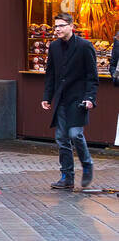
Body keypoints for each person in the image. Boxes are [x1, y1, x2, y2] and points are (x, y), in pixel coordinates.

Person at [42, 12, 98, 191]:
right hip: (61, 99)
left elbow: (92, 76)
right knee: (61, 138)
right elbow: (50, 74)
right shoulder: (54, 47)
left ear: (71, 26)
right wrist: (47, 97)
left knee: (75, 134)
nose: (57, 29)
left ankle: (87, 164)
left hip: (78, 99)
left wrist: (90, 98)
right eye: (55, 26)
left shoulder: (85, 46)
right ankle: (67, 177)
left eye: (61, 26)